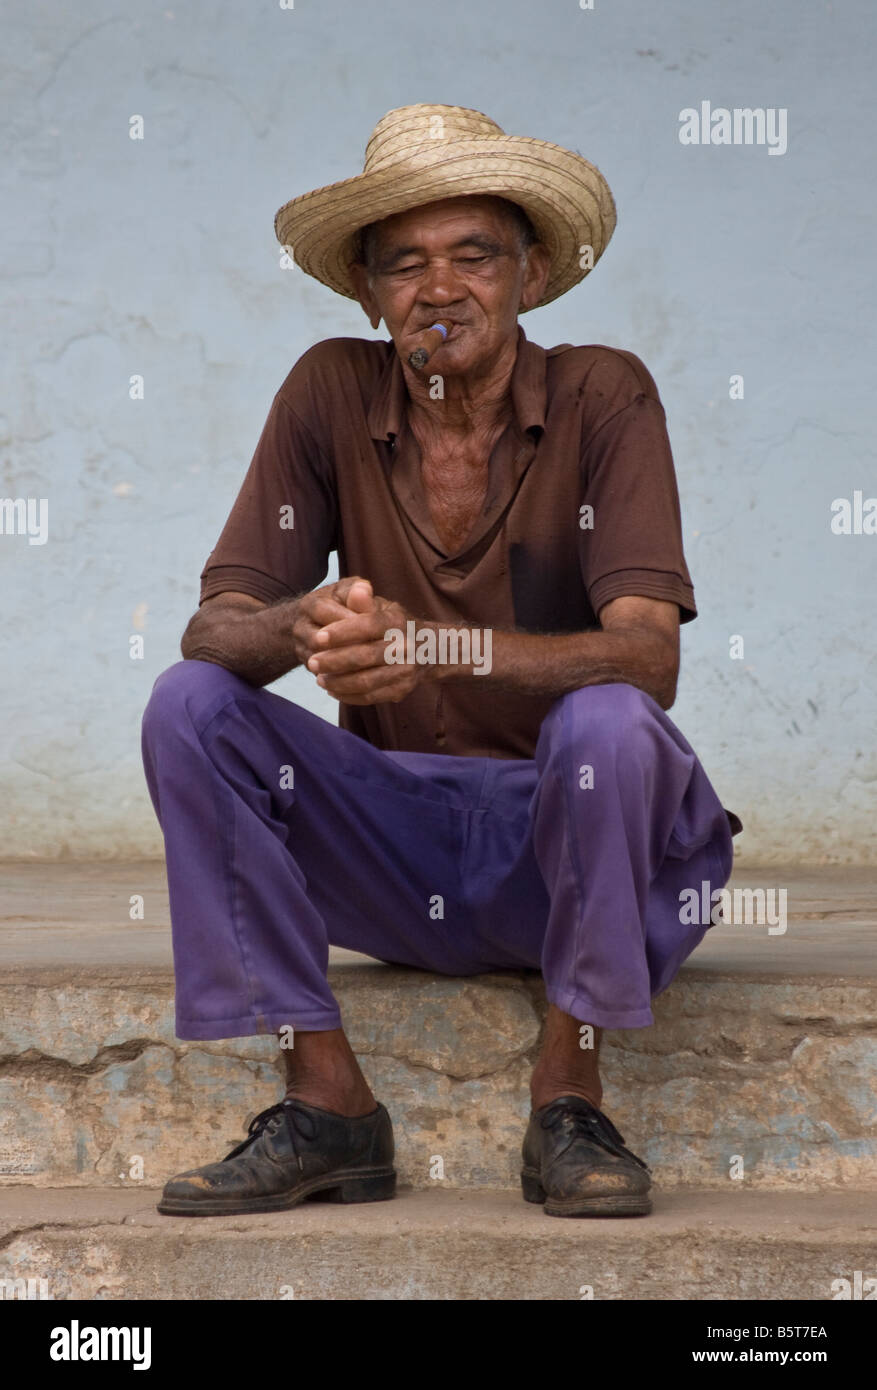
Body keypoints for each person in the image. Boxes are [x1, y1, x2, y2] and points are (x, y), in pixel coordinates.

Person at [142, 103, 740, 1221]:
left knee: (607, 724)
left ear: (533, 270)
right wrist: (305, 626)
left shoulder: (603, 394)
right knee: (189, 703)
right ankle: (327, 1107)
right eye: (405, 263)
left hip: (574, 843)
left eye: (474, 253)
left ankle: (570, 1099)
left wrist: (434, 648)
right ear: (369, 292)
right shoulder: (328, 389)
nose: (440, 286)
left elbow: (648, 659)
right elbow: (216, 623)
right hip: (398, 853)